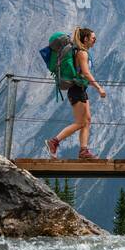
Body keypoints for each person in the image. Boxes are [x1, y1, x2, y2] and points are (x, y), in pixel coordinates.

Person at [46, 27, 107, 159]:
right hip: (76, 90)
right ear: (85, 39)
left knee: (87, 120)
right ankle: (54, 141)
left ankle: (83, 150)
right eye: (93, 38)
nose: (95, 40)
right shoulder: (82, 53)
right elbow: (85, 72)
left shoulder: (82, 52)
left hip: (80, 89)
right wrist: (99, 88)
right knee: (80, 122)